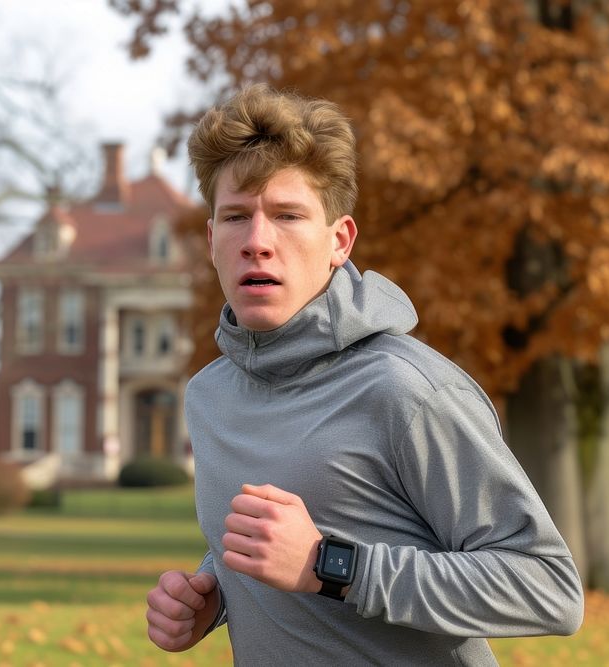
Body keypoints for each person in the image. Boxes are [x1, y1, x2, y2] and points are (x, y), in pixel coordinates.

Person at [145, 84, 584, 665]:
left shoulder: (408, 391)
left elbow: (549, 590)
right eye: (235, 217)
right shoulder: (208, 396)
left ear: (339, 241)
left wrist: (333, 565)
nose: (257, 242)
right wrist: (214, 596)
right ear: (210, 241)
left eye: (287, 216)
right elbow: (278, 546)